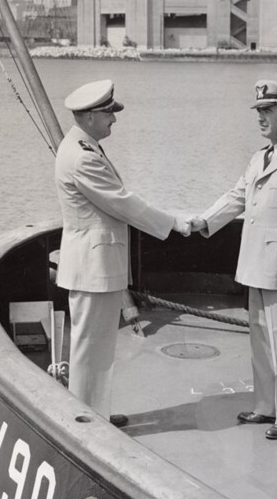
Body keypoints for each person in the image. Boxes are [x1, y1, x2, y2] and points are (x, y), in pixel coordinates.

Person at [188, 80, 277, 440]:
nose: (260, 118)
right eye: (259, 111)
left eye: (267, 111)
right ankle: (266, 406)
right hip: (256, 266)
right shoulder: (259, 158)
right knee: (262, 341)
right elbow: (237, 196)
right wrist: (205, 220)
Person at [54, 79, 191, 425]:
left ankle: (94, 414)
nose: (114, 119)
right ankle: (82, 423)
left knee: (98, 348)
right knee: (90, 347)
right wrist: (173, 222)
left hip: (96, 264)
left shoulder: (85, 146)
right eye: (108, 114)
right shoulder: (82, 157)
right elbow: (123, 203)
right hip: (92, 267)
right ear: (88, 117)